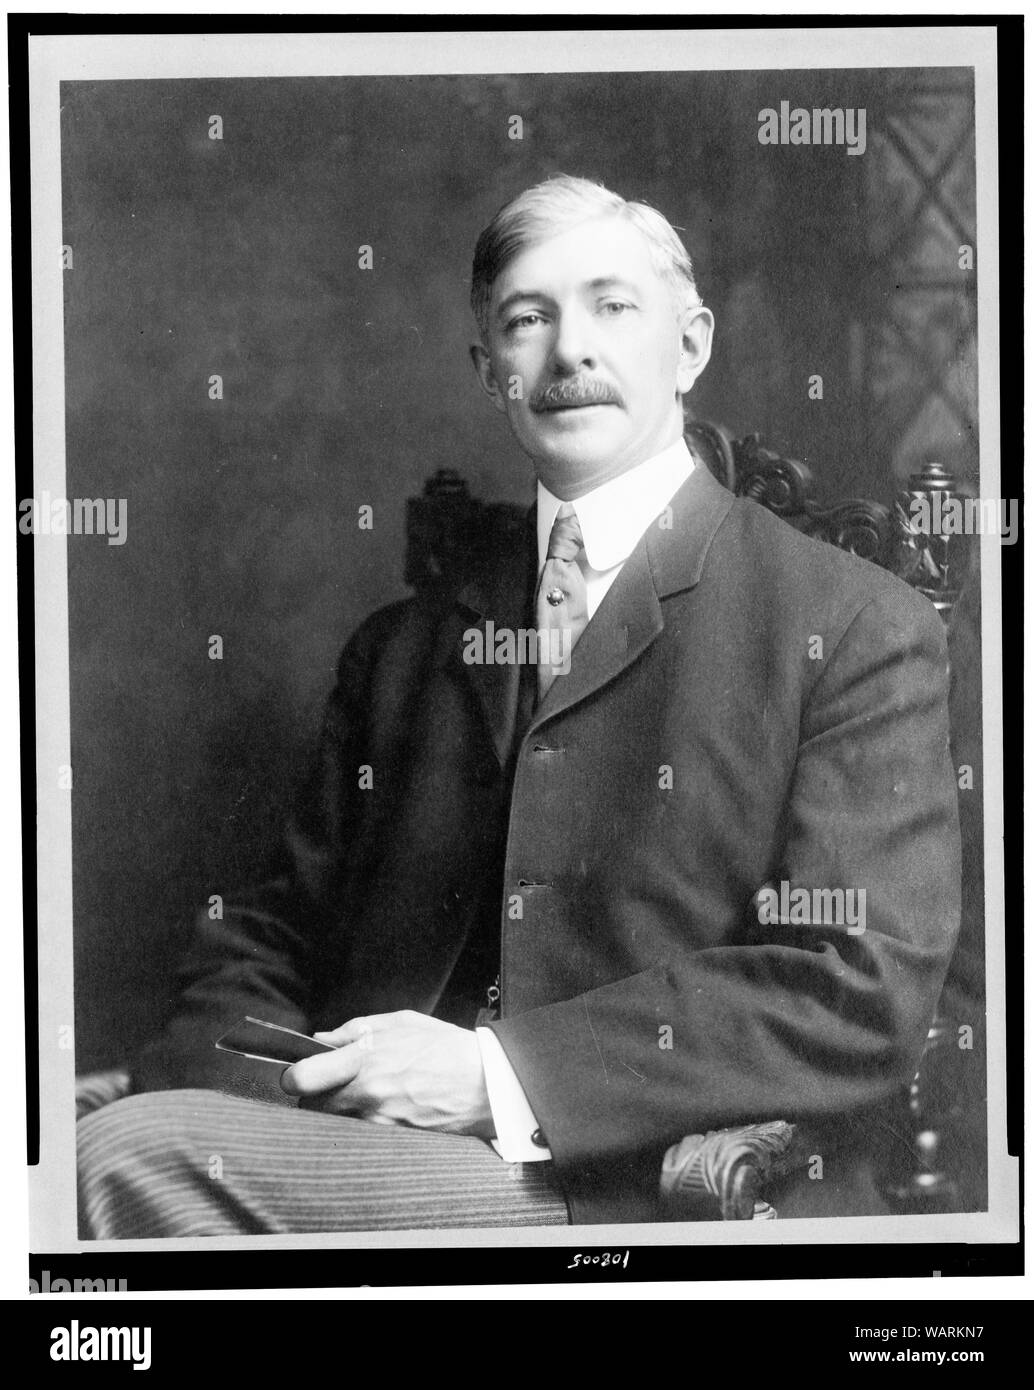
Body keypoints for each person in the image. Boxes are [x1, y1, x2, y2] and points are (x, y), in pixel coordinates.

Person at [77, 175, 961, 1234]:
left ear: (689, 346)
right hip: (366, 1148)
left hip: (621, 1180)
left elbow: (856, 989)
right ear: (488, 370)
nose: (568, 351)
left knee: (119, 1161)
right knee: (69, 1139)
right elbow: (270, 935)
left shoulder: (852, 624)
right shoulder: (404, 644)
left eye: (610, 307)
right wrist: (266, 1087)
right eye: (526, 319)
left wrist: (498, 1075)